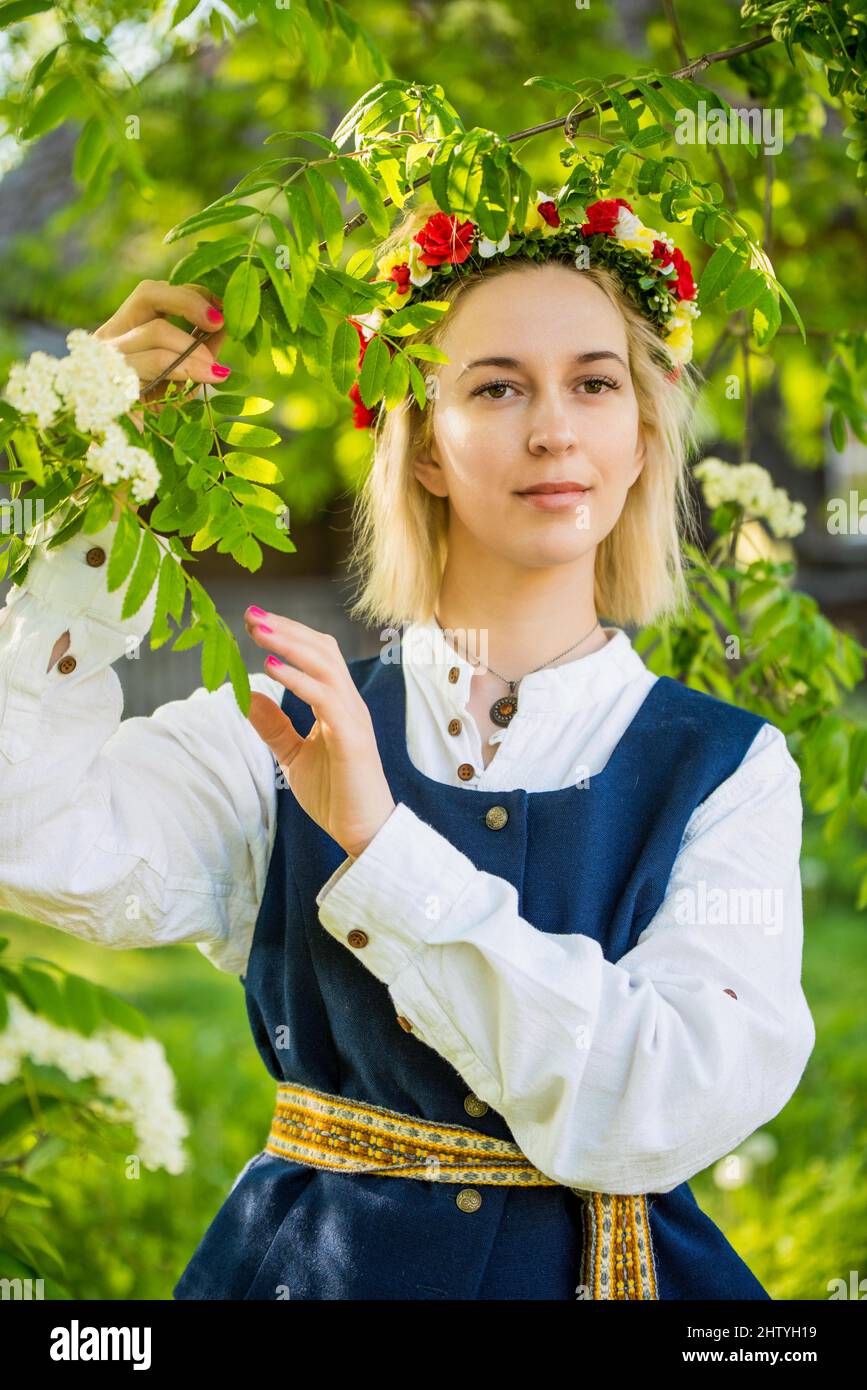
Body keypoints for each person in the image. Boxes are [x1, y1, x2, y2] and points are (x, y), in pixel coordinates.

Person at [0, 194, 815, 1301]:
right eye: (495, 385)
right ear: (424, 445)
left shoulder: (731, 768)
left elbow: (659, 1096)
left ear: (639, 438)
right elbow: (26, 831)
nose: (553, 429)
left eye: (593, 382)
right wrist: (96, 493)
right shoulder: (281, 729)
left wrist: (381, 846)